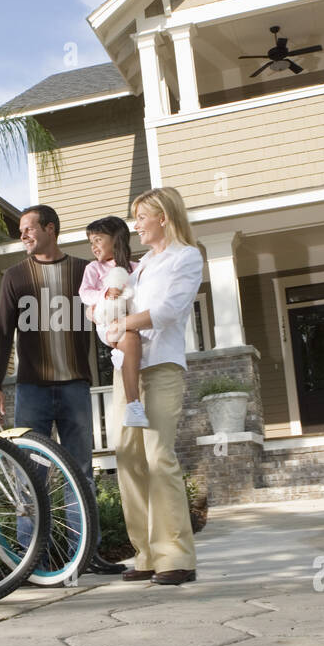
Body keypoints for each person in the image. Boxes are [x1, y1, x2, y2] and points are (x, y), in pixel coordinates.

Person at [0, 204, 125, 575]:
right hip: (31, 388)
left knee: (79, 471)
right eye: (21, 231)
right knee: (28, 471)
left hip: (75, 388)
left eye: (29, 229)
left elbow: (115, 308)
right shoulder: (15, 276)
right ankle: (30, 557)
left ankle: (88, 554)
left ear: (51, 229)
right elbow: (2, 333)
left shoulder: (85, 271)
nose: (23, 236)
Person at [109, 188, 204, 586]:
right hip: (124, 369)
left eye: (142, 217)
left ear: (163, 217)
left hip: (161, 368)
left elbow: (167, 311)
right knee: (127, 457)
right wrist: (113, 327)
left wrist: (123, 324)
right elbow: (113, 313)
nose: (136, 226)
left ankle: (175, 557)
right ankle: (145, 554)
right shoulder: (141, 266)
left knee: (158, 457)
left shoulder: (187, 256)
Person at [80, 216, 147, 428]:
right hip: (108, 323)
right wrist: (106, 293)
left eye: (98, 240)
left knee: (131, 336)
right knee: (129, 336)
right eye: (91, 242)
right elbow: (85, 293)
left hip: (132, 319)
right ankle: (134, 404)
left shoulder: (137, 268)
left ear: (116, 238)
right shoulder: (94, 268)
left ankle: (122, 355)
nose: (94, 247)